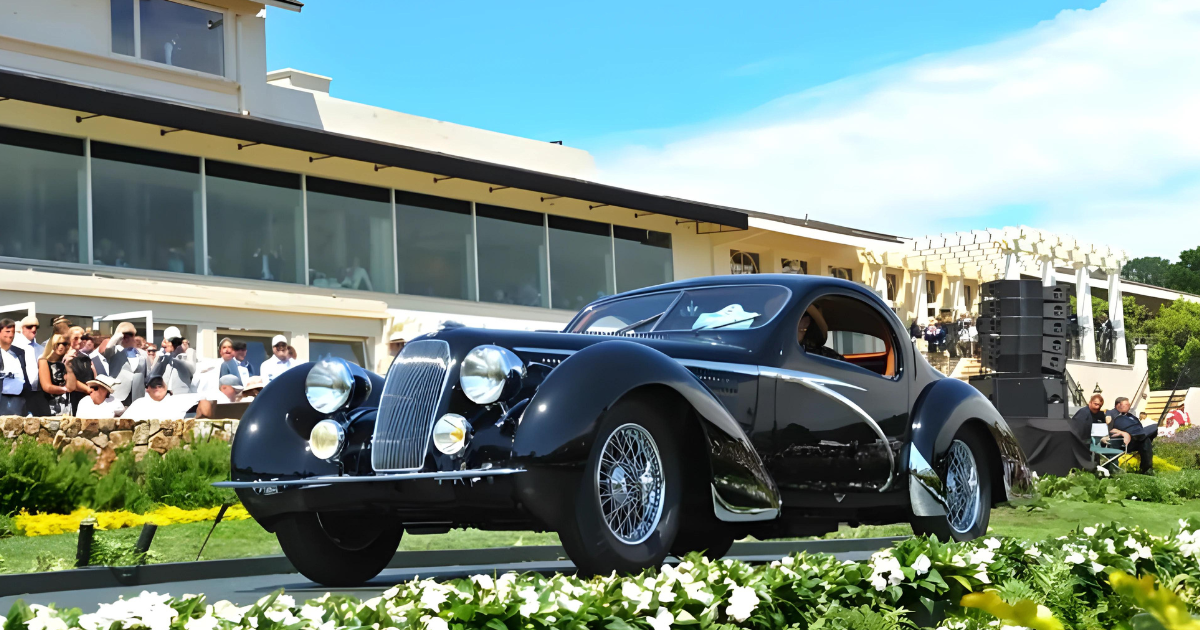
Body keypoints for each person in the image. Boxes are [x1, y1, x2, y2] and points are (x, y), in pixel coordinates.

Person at [1107, 396, 1157, 474]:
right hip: (1124, 441)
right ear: (1118, 405)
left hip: (1137, 438)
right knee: (1145, 440)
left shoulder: (1130, 416)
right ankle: (1146, 469)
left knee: (1153, 428)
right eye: (1126, 404)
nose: (1129, 406)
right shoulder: (1111, 413)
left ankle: (1146, 468)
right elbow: (1108, 427)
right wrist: (1123, 433)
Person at [12, 315, 50, 416]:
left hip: (37, 393)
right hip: (20, 393)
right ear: (22, 328)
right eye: (29, 327)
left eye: (36, 327)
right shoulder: (14, 346)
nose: (33, 329)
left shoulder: (40, 349)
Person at [103, 322, 148, 406]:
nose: (126, 338)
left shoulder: (142, 354)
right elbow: (108, 349)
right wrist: (118, 336)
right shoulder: (114, 352)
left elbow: (146, 376)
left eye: (130, 335)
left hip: (137, 397)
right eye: (125, 336)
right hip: (118, 395)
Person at [38, 333, 77, 416]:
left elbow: (72, 386)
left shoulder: (66, 362)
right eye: (58, 344)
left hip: (65, 405)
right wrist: (65, 389)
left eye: (64, 344)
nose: (61, 346)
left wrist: (69, 367)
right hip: (49, 404)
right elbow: (47, 387)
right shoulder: (43, 361)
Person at [0, 318, 32, 416]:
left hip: (18, 399)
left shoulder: (19, 352)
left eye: (13, 332)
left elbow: (24, 374)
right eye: (7, 331)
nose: (10, 335)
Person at [66, 327, 98, 415]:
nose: (80, 341)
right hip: (72, 398)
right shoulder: (66, 358)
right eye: (76, 338)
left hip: (88, 398)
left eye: (82, 338)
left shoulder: (86, 357)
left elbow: (91, 375)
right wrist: (88, 390)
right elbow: (68, 379)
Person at [155, 327, 195, 395]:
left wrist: (179, 355)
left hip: (182, 394)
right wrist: (161, 355)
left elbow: (192, 369)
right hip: (164, 394)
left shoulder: (189, 351)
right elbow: (154, 371)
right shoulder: (163, 353)